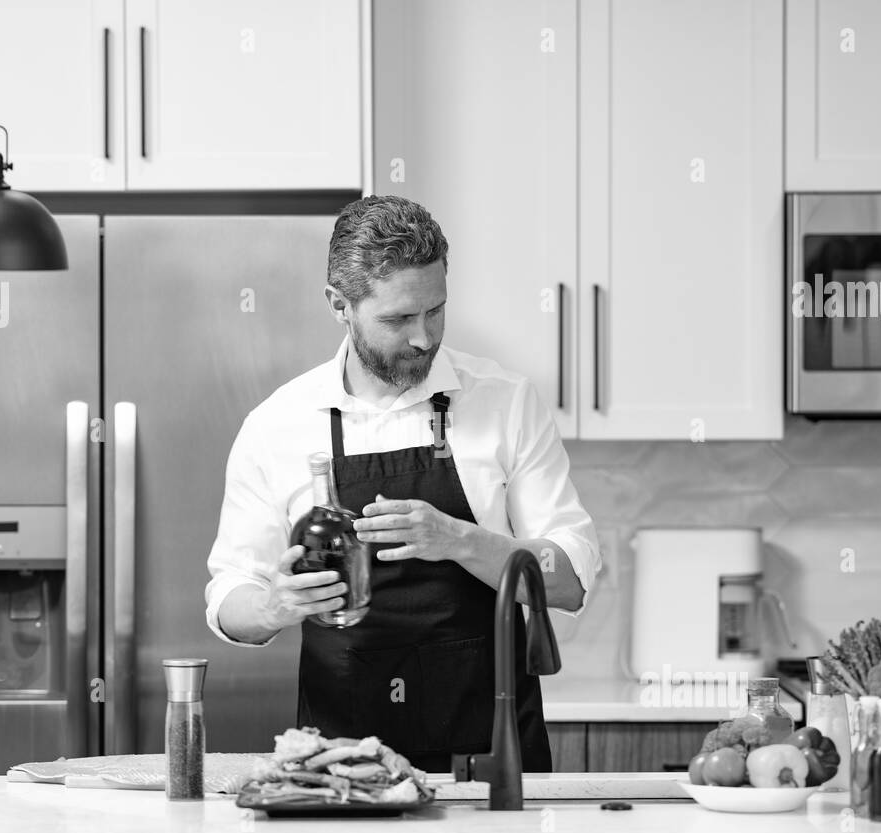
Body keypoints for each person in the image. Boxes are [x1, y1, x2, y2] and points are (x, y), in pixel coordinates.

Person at [205, 195, 600, 771]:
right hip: (340, 769)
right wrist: (271, 605)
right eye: (397, 319)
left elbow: (569, 581)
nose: (423, 338)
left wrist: (461, 541)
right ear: (339, 305)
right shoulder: (277, 426)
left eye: (435, 311)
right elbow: (227, 598)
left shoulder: (506, 402)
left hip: (488, 762)